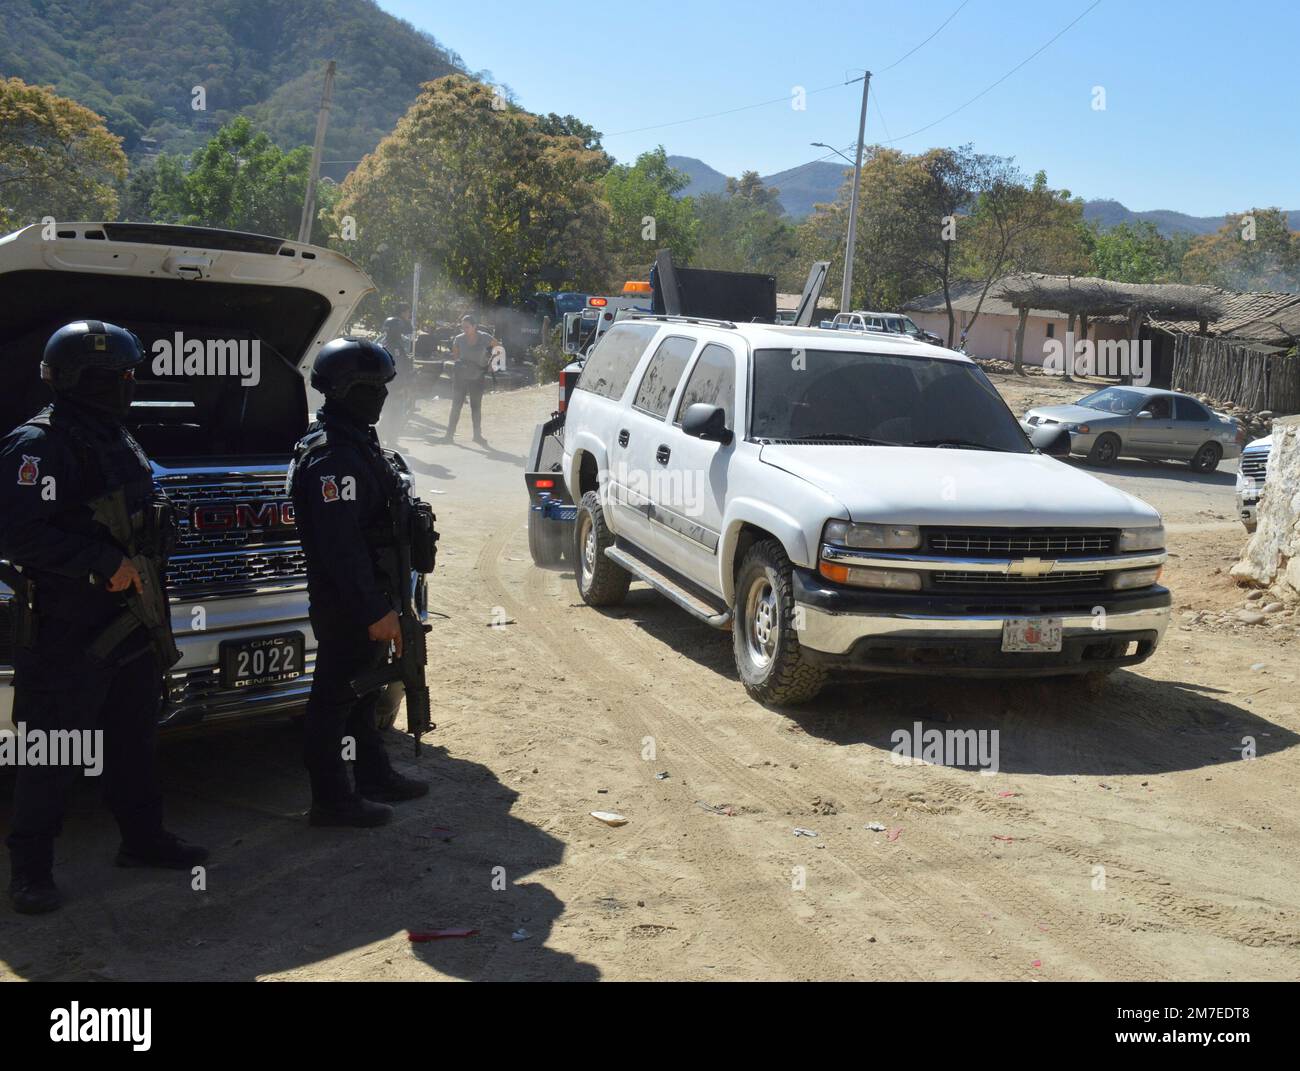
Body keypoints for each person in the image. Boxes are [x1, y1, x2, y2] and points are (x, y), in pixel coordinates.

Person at [0, 320, 207, 915]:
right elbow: (18, 532)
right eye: (120, 377)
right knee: (55, 752)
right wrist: (99, 562)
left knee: (134, 743)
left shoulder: (115, 435)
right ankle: (30, 871)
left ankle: (143, 841)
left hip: (131, 623)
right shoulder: (38, 446)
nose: (129, 385)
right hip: (69, 632)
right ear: (83, 380)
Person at [288, 337, 429, 828]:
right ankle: (331, 799)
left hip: (375, 592)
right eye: (367, 387)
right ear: (340, 390)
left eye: (381, 385)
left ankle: (371, 773)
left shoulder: (358, 442)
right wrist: (373, 610)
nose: (380, 396)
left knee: (365, 691)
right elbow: (340, 548)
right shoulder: (332, 458)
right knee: (334, 697)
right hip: (349, 601)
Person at [442, 314, 498, 444]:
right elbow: (456, 357)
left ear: (474, 326)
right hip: (461, 376)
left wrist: (492, 363)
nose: (464, 329)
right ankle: (449, 436)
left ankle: (477, 436)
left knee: (476, 406)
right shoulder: (458, 339)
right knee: (456, 405)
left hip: (478, 376)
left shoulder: (484, 337)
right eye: (463, 327)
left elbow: (498, 347)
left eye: (467, 327)